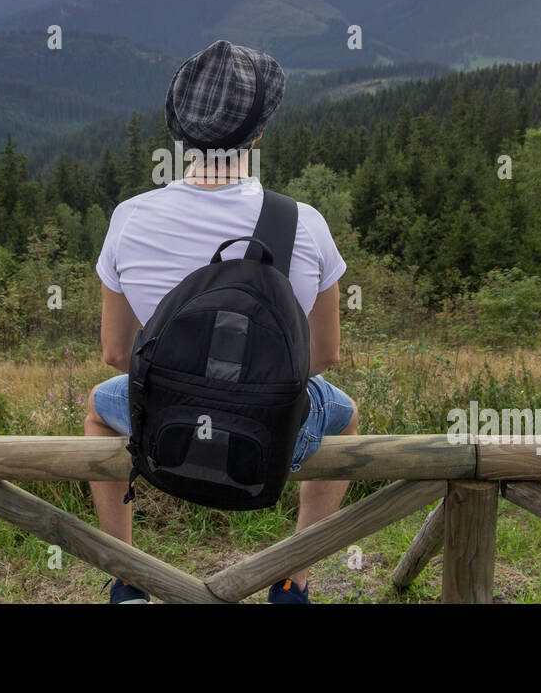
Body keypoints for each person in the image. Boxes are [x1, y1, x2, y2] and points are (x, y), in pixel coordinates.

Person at [85, 39, 359, 604]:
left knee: (97, 406)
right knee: (346, 416)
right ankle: (294, 579)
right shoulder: (303, 224)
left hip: (163, 428)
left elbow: (116, 354)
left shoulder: (129, 219)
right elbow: (324, 355)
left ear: (177, 133)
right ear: (258, 135)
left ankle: (128, 577)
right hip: (273, 436)